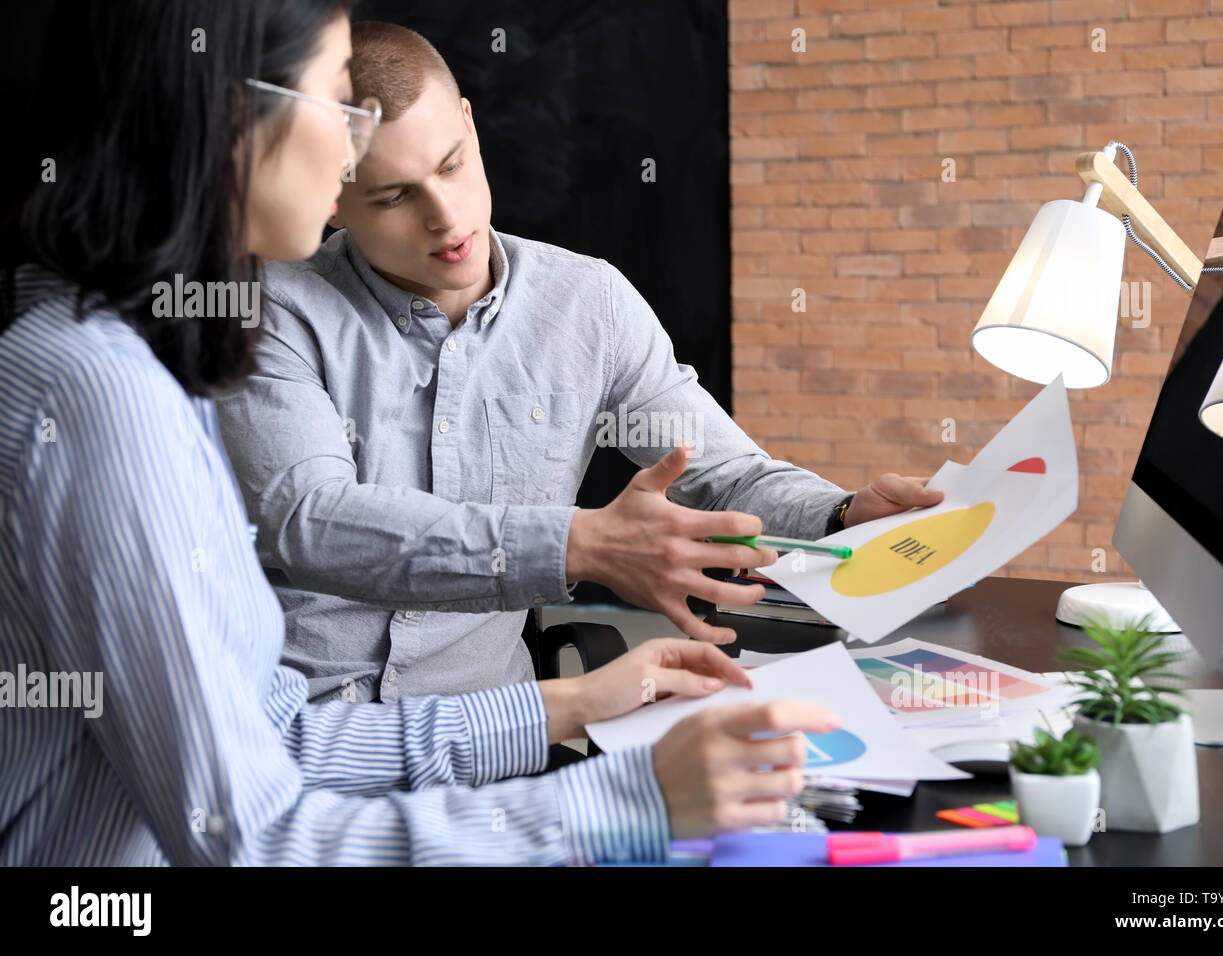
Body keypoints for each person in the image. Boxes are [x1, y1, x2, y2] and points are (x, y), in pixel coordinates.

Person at [0, 0, 837, 866]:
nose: (352, 145)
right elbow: (252, 837)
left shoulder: (124, 364)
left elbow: (275, 738)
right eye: (338, 101)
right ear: (238, 119)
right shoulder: (108, 392)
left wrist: (570, 707)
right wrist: (629, 803)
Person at [215, 20, 946, 703]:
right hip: (303, 736)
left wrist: (841, 513)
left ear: (470, 124)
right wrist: (578, 544)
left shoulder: (585, 302)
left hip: (492, 740)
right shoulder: (272, 306)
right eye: (394, 195)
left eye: (451, 164)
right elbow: (310, 520)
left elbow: (721, 471)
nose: (444, 214)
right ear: (333, 196)